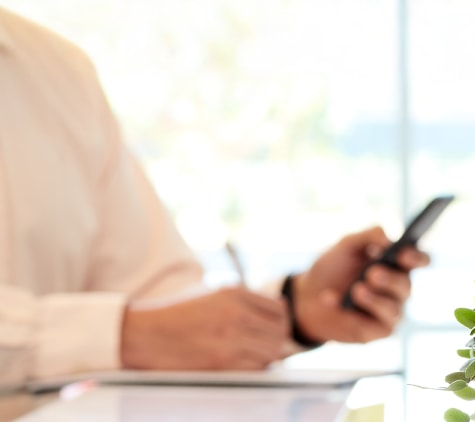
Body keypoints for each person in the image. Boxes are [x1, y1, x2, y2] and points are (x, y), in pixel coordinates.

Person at [0, 8, 428, 388]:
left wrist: (291, 311)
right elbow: (137, 331)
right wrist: (124, 336)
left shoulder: (59, 72)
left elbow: (155, 298)